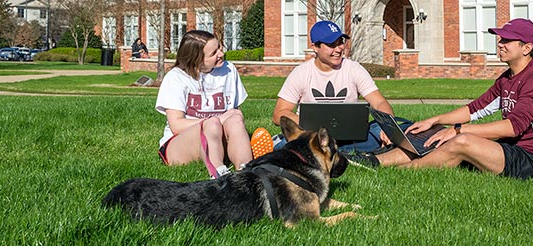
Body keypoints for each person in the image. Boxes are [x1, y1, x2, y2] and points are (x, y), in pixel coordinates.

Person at [350, 18, 533, 179]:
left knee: (461, 140)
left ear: (526, 48)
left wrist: (459, 129)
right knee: (432, 135)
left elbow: (513, 127)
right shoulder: (507, 78)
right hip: (508, 149)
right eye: (500, 38)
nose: (500, 43)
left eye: (507, 40)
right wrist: (435, 121)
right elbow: (475, 109)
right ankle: (373, 162)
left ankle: (404, 173)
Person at [272, 20, 407, 153]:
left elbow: (379, 102)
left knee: (380, 131)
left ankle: (323, 154)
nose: (339, 49)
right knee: (290, 142)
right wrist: (308, 125)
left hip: (351, 136)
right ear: (315, 47)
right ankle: (344, 153)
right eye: (332, 45)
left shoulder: (354, 69)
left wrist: (388, 128)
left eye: (340, 42)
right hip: (313, 137)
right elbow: (279, 114)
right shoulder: (301, 73)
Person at [155, 30, 272, 179]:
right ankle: (219, 174)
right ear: (196, 59)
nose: (221, 54)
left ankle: (247, 172)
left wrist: (225, 120)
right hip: (179, 145)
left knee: (235, 120)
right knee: (212, 124)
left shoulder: (229, 70)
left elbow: (234, 116)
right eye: (213, 53)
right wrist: (216, 120)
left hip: (218, 139)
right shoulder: (176, 77)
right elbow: (176, 126)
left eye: (220, 48)